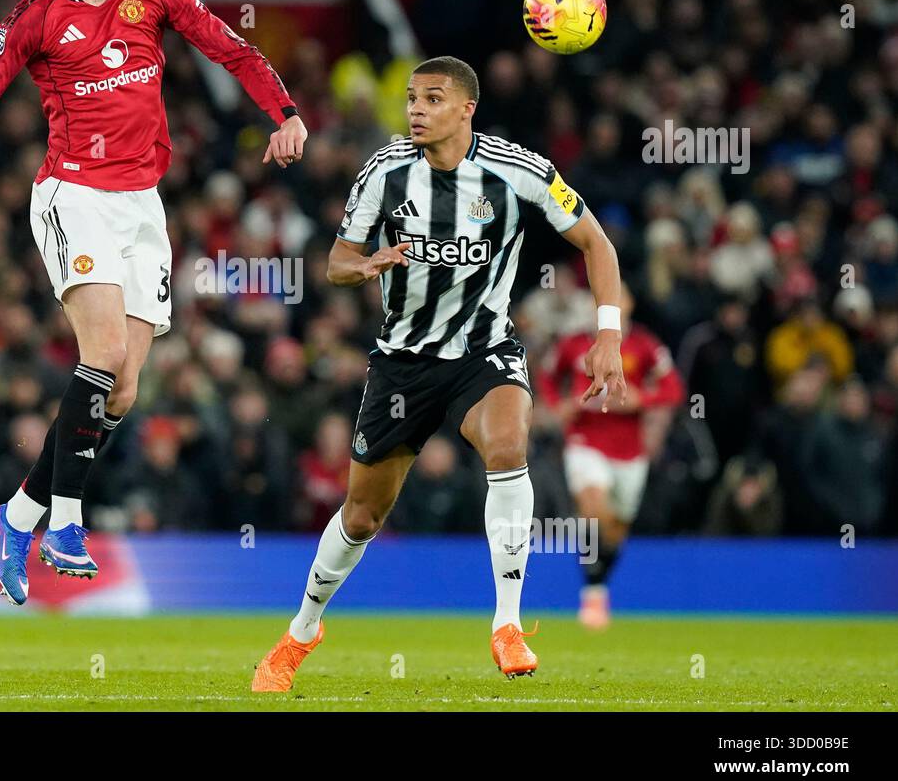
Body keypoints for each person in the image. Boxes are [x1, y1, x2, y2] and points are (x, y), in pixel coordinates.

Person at [0, 0, 306, 599]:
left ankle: (16, 515)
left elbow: (229, 48)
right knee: (106, 352)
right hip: (74, 196)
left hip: (142, 206)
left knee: (121, 392)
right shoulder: (34, 17)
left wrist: (283, 111)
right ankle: (65, 518)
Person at [251, 56, 626, 691]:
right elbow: (336, 262)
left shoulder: (523, 172)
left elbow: (598, 244)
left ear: (466, 108)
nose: (416, 110)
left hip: (484, 353)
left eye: (431, 99)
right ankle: (302, 631)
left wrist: (608, 336)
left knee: (509, 445)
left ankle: (507, 624)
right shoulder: (384, 170)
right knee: (363, 515)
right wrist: (369, 264)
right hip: (403, 364)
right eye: (410, 99)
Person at [538, 282, 683, 628]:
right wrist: (559, 407)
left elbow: (673, 387)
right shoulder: (573, 343)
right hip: (585, 440)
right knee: (592, 507)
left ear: (630, 305)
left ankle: (595, 587)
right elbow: (546, 376)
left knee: (617, 527)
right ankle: (593, 590)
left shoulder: (645, 345)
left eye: (621, 298)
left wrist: (641, 400)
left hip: (630, 450)